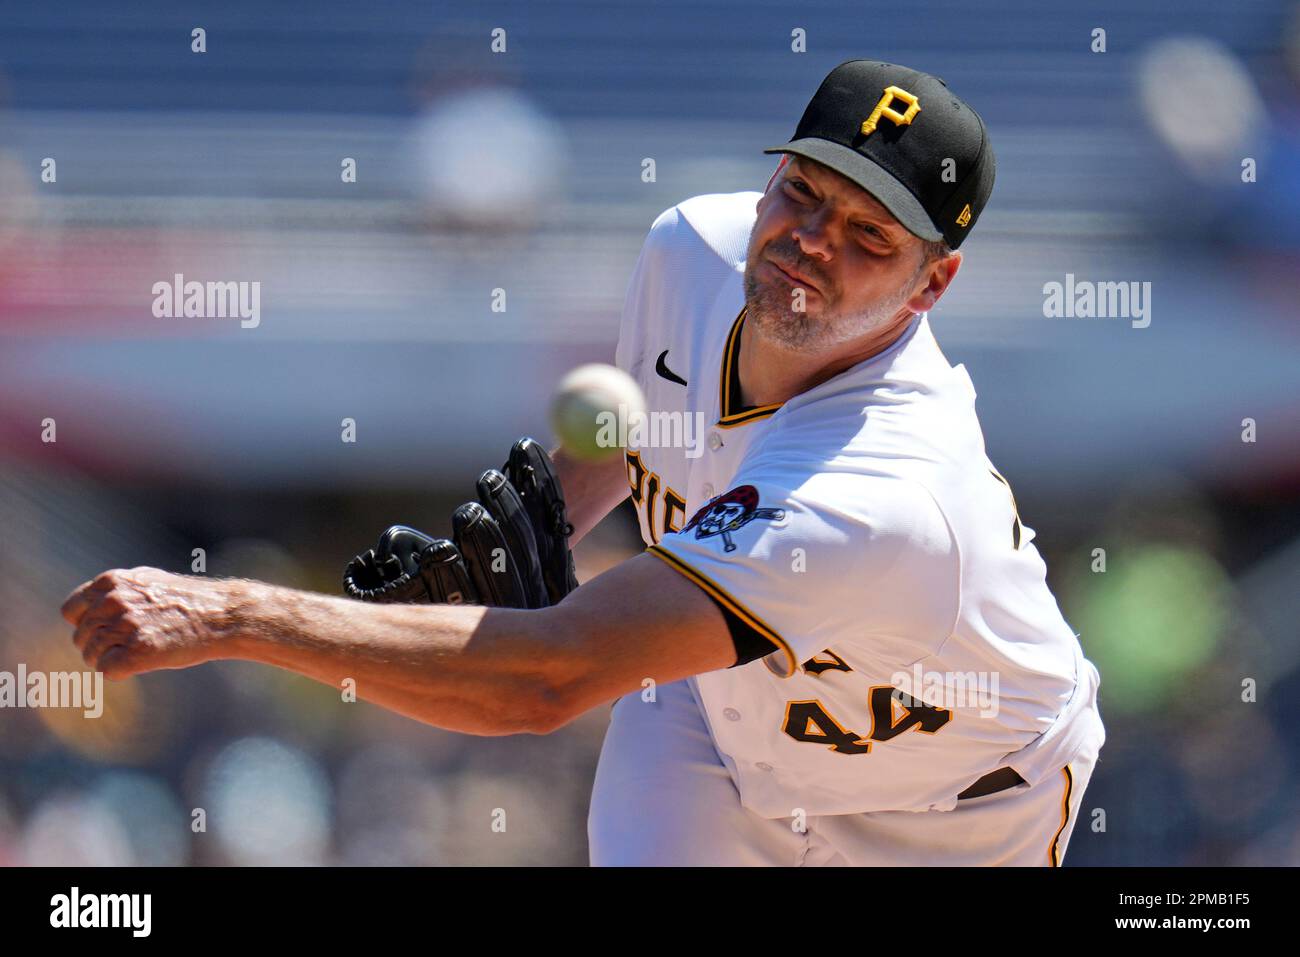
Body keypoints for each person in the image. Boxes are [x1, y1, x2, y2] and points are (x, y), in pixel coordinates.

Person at [62, 60, 1104, 867]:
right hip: (719, 714)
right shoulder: (692, 252)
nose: (811, 240)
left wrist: (232, 615)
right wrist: (556, 508)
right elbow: (655, 416)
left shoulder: (881, 490)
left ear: (933, 284)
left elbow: (547, 680)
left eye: (869, 235)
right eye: (802, 193)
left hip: (956, 808)